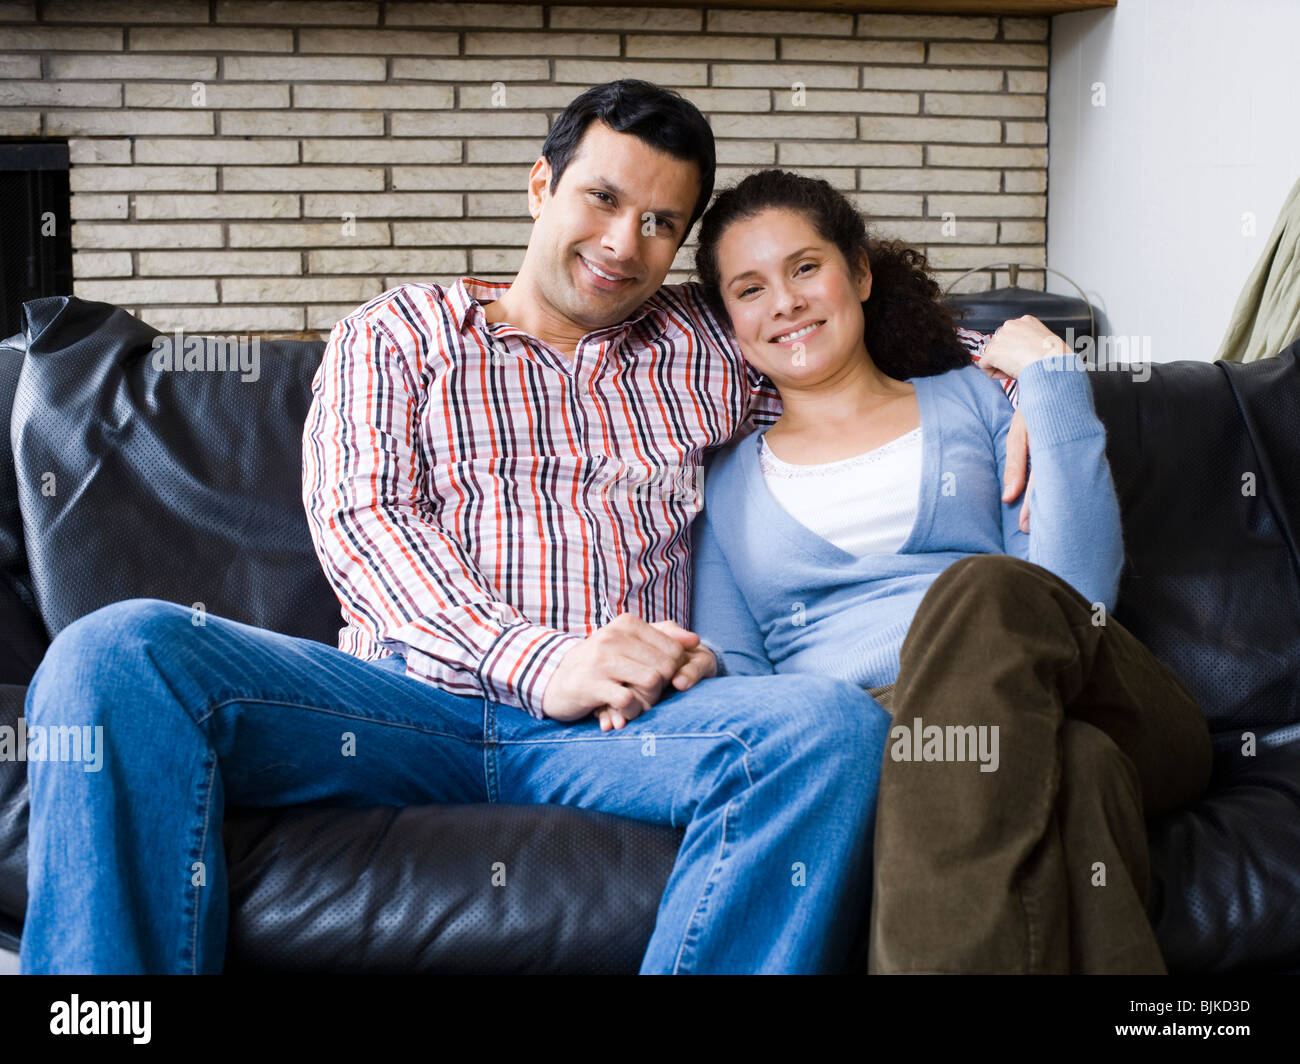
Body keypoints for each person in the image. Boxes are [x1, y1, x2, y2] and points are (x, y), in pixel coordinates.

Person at [19, 81, 983, 976]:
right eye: (602, 200)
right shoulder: (401, 332)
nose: (622, 243)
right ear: (541, 186)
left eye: (659, 223)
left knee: (829, 731)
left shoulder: (700, 344)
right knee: (114, 656)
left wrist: (1012, 356)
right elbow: (366, 527)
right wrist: (541, 660)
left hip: (620, 731)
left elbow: (824, 334)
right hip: (400, 709)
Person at [689, 168, 1215, 974]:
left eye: (805, 268)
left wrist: (1053, 385)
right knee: (1079, 768)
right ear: (730, 321)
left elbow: (1078, 595)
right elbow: (746, 688)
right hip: (887, 736)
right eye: (749, 288)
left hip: (1093, 689)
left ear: (858, 274)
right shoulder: (722, 484)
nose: (785, 302)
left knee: (981, 590)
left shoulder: (976, 401)